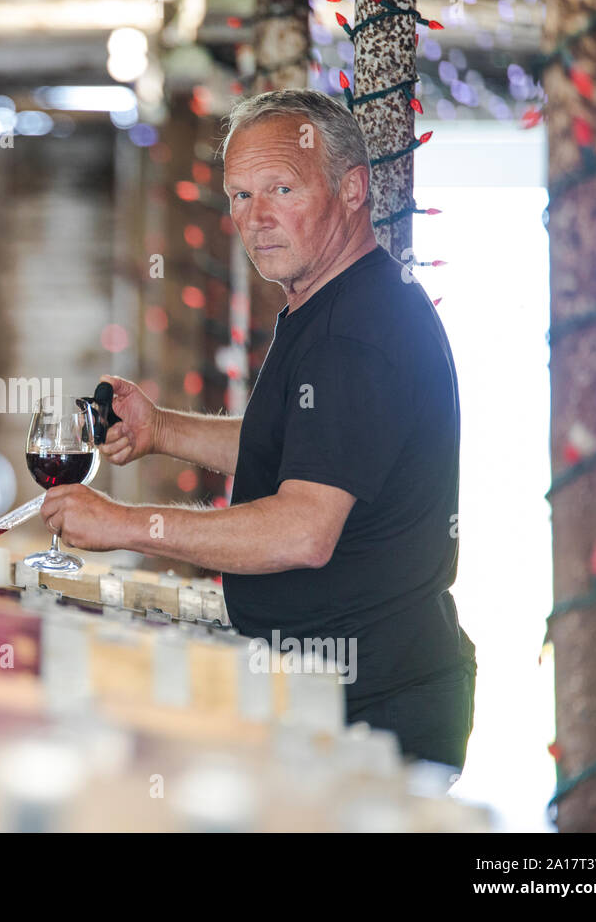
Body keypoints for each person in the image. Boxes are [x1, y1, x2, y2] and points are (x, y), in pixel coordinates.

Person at [40, 88, 477, 772]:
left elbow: (303, 529)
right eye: (240, 196)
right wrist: (161, 430)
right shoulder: (337, 303)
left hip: (373, 710)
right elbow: (304, 449)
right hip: (340, 687)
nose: (256, 218)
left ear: (353, 189)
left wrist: (126, 526)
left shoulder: (355, 333)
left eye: (281, 188)